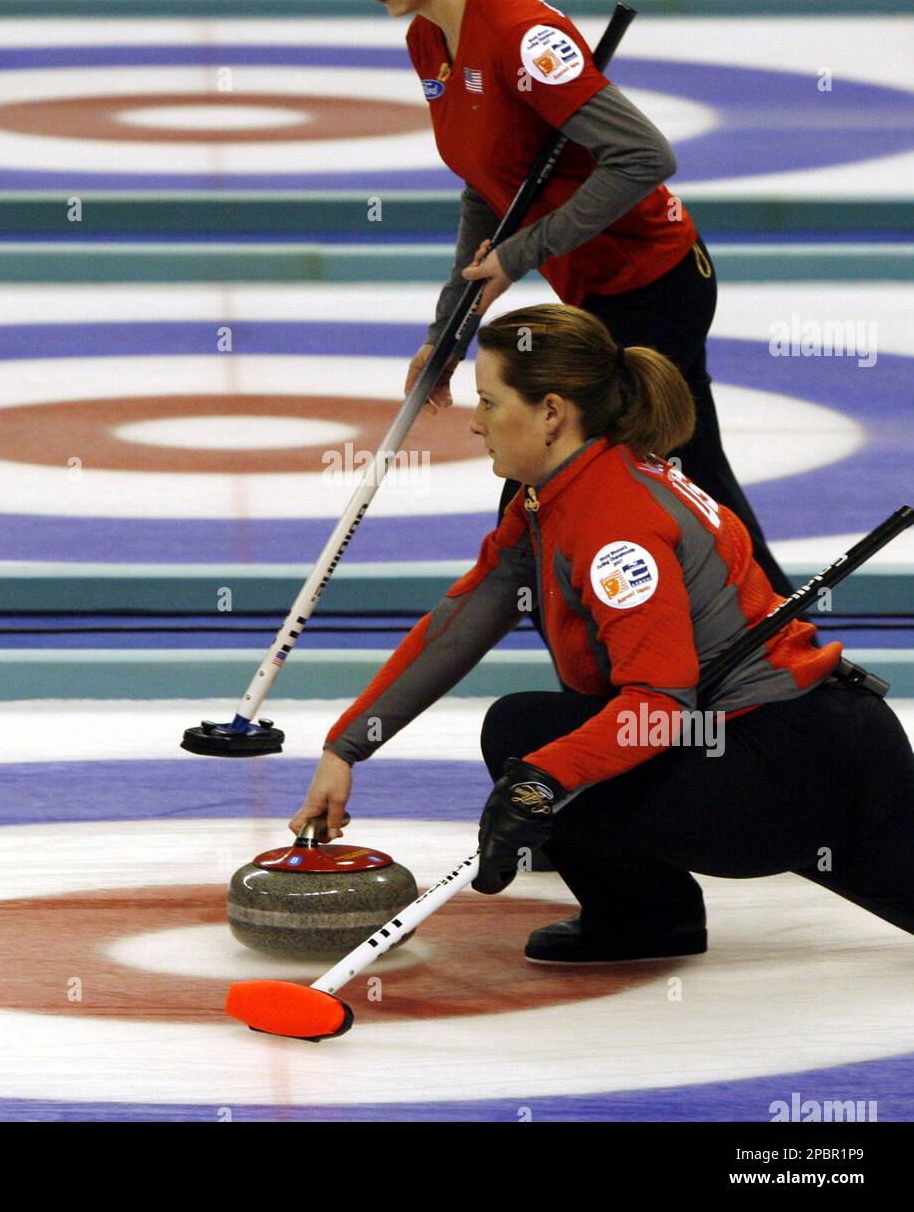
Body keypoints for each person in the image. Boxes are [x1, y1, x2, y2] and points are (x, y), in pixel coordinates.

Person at [290, 304, 914, 961]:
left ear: (552, 413)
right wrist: (348, 747)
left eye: (489, 402)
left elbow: (662, 703)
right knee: (534, 732)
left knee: (526, 734)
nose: (475, 424)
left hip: (784, 760)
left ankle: (644, 918)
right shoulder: (563, 489)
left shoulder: (614, 524)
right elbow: (465, 618)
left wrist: (542, 780)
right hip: (814, 740)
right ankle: (651, 916)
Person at [327, 0, 794, 597]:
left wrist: (522, 254)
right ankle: (759, 639)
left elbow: (644, 156)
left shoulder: (521, 32)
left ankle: (773, 642)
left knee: (594, 480)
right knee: (658, 473)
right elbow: (491, 188)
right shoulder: (429, 41)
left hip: (654, 286)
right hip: (594, 292)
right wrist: (445, 329)